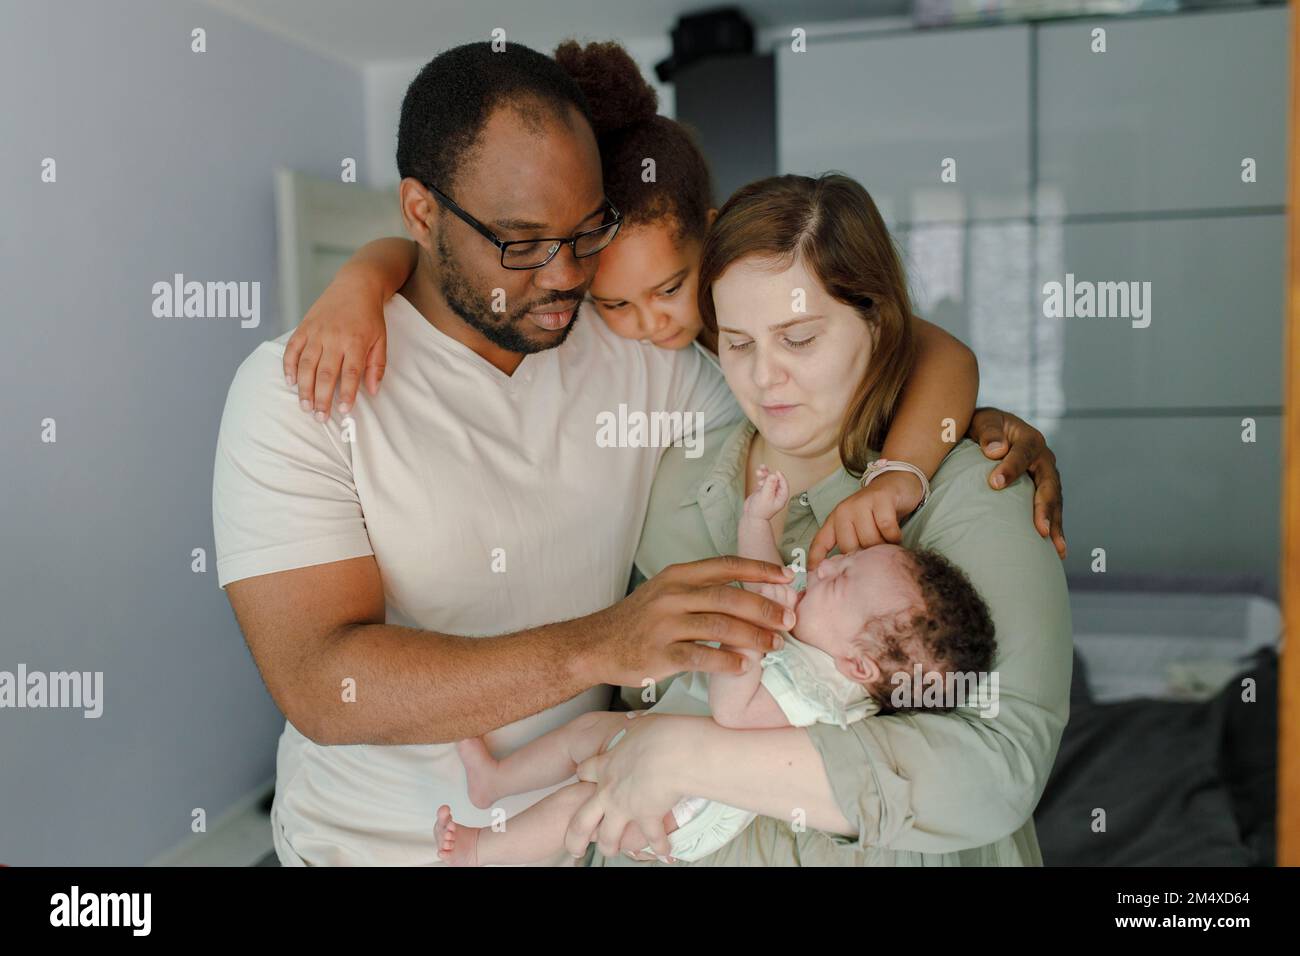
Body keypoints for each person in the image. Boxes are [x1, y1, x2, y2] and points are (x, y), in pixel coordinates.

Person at [214, 40, 1062, 866]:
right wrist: (602, 646)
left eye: (585, 234)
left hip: (597, 834)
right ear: (422, 212)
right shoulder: (304, 390)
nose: (563, 278)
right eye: (522, 243)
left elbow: (843, 357)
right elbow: (323, 684)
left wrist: (953, 431)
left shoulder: (634, 350)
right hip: (377, 848)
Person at [285, 40, 1067, 564]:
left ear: (716, 239)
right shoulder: (583, 328)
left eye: (668, 289)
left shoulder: (772, 299)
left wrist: (924, 457)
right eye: (614, 303)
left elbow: (935, 353)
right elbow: (438, 256)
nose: (650, 323)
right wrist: (360, 280)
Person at [570, 173, 1072, 866]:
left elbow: (998, 769)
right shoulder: (668, 487)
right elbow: (638, 697)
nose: (764, 377)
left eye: (799, 338)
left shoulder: (977, 491)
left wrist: (695, 755)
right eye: (738, 344)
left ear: (876, 321)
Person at [425, 469, 995, 866]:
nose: (828, 567)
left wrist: (758, 634)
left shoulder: (819, 698)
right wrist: (757, 521)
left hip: (681, 812)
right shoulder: (819, 624)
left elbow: (733, 708)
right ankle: (495, 779)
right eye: (846, 560)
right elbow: (760, 579)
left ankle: (482, 851)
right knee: (586, 735)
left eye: (843, 578)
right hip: (655, 741)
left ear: (857, 663)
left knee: (584, 807)